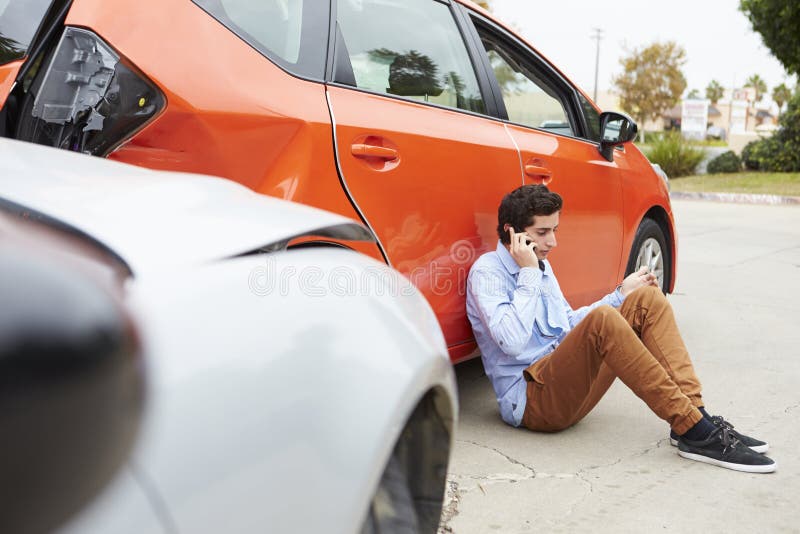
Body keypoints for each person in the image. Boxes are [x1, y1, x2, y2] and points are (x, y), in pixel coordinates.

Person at [466, 184, 776, 473]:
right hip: (533, 402)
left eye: (555, 230)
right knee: (603, 319)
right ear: (513, 233)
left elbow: (568, 327)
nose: (553, 241)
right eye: (543, 232)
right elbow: (513, 343)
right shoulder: (488, 273)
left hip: (566, 383)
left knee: (645, 299)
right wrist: (529, 274)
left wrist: (620, 295)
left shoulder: (542, 265)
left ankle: (696, 416)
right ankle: (692, 427)